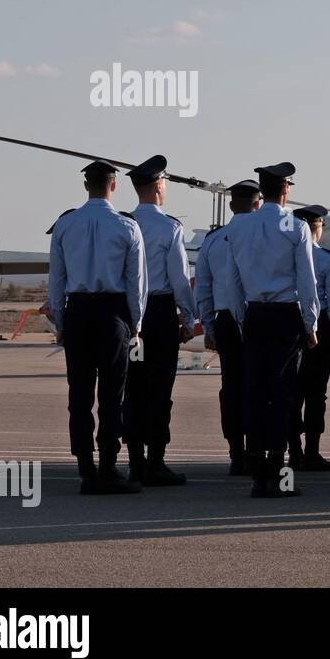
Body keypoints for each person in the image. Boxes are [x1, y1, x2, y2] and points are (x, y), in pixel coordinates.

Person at [49, 160, 147, 495]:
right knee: (111, 394)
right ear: (113, 185)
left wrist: (60, 323)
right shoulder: (127, 227)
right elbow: (136, 284)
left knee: (78, 393)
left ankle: (85, 468)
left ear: (86, 185)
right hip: (112, 313)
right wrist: (136, 324)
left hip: (77, 311)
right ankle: (108, 465)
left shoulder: (65, 225)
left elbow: (56, 281)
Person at [226, 162, 319, 497]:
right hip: (284, 315)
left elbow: (233, 282)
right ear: (285, 189)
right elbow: (306, 282)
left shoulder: (238, 228)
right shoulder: (296, 227)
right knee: (282, 395)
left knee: (254, 392)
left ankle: (256, 473)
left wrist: (241, 319)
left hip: (254, 315)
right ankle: (279, 474)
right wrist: (311, 324)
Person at [124, 155, 195, 487]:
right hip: (160, 314)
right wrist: (188, 317)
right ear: (157, 186)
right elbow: (179, 278)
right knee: (159, 388)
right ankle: (155, 461)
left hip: (131, 317)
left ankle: (135, 461)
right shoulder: (169, 227)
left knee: (133, 388)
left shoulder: (124, 224)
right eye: (164, 182)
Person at [194, 178, 260, 475]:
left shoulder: (213, 240)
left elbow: (203, 289)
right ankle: (259, 450)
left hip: (225, 321)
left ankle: (236, 452)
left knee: (231, 387)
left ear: (231, 204)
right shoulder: (266, 234)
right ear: (257, 203)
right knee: (262, 386)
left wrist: (208, 326)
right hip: (260, 317)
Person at [290, 205, 330, 471]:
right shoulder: (327, 259)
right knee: (316, 394)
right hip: (320, 326)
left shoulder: (287, 256)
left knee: (291, 392)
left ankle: (294, 450)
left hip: (291, 322)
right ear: (319, 227)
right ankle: (311, 451)